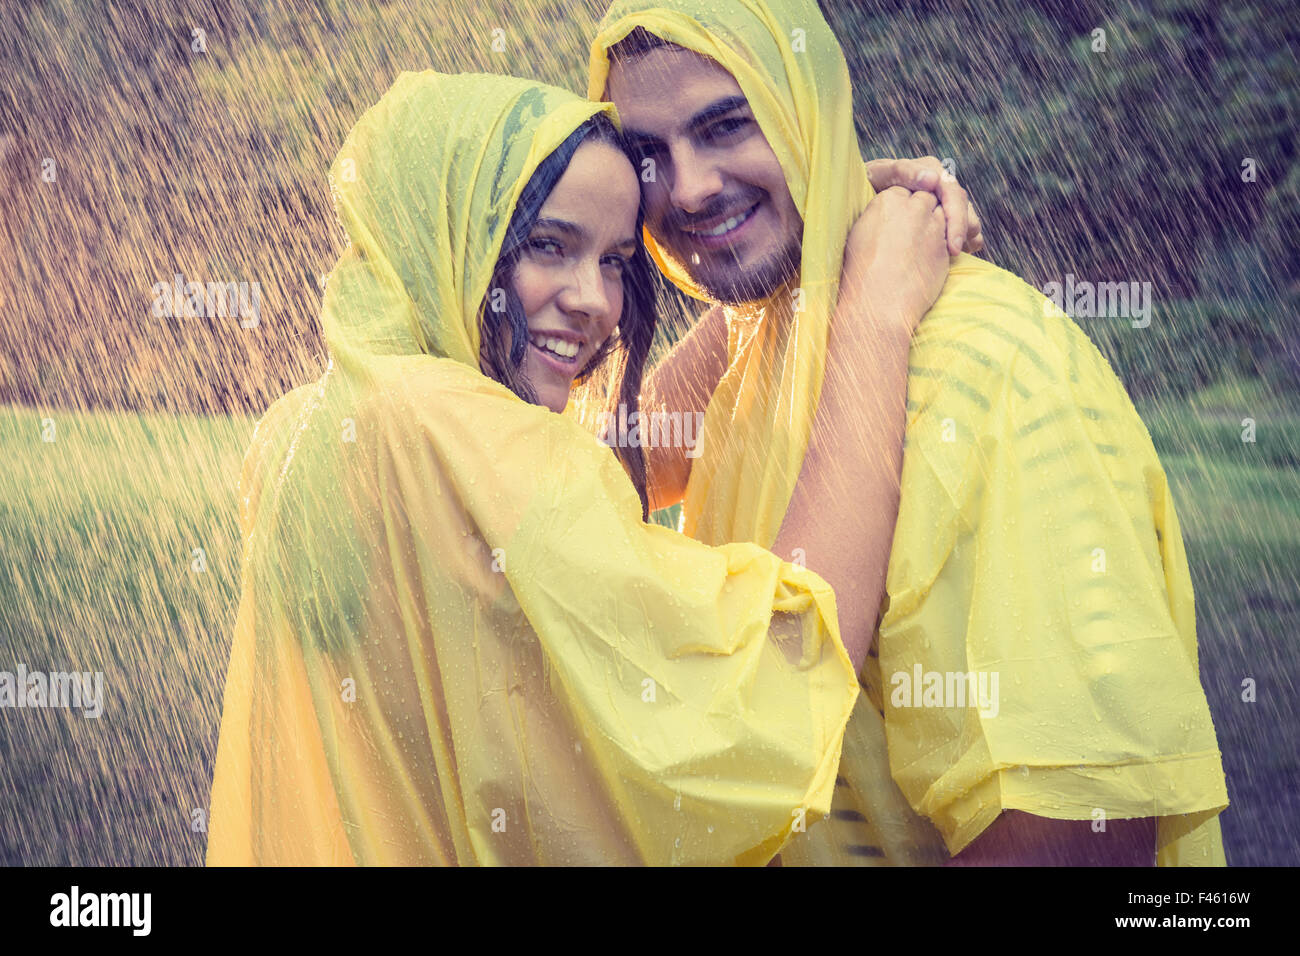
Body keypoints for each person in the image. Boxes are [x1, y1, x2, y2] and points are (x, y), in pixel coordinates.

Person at [204, 69, 956, 865]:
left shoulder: (318, 427)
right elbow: (784, 665)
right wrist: (876, 311)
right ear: (451, 230)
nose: (595, 299)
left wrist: (804, 240)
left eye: (613, 260)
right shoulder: (466, 440)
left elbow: (612, 467)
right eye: (549, 245)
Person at [587, 0, 1229, 866]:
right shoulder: (765, 340)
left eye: (730, 125)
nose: (690, 187)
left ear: (807, 111)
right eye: (647, 155)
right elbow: (595, 475)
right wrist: (832, 202)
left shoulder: (986, 368)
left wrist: (836, 211)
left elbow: (1074, 837)